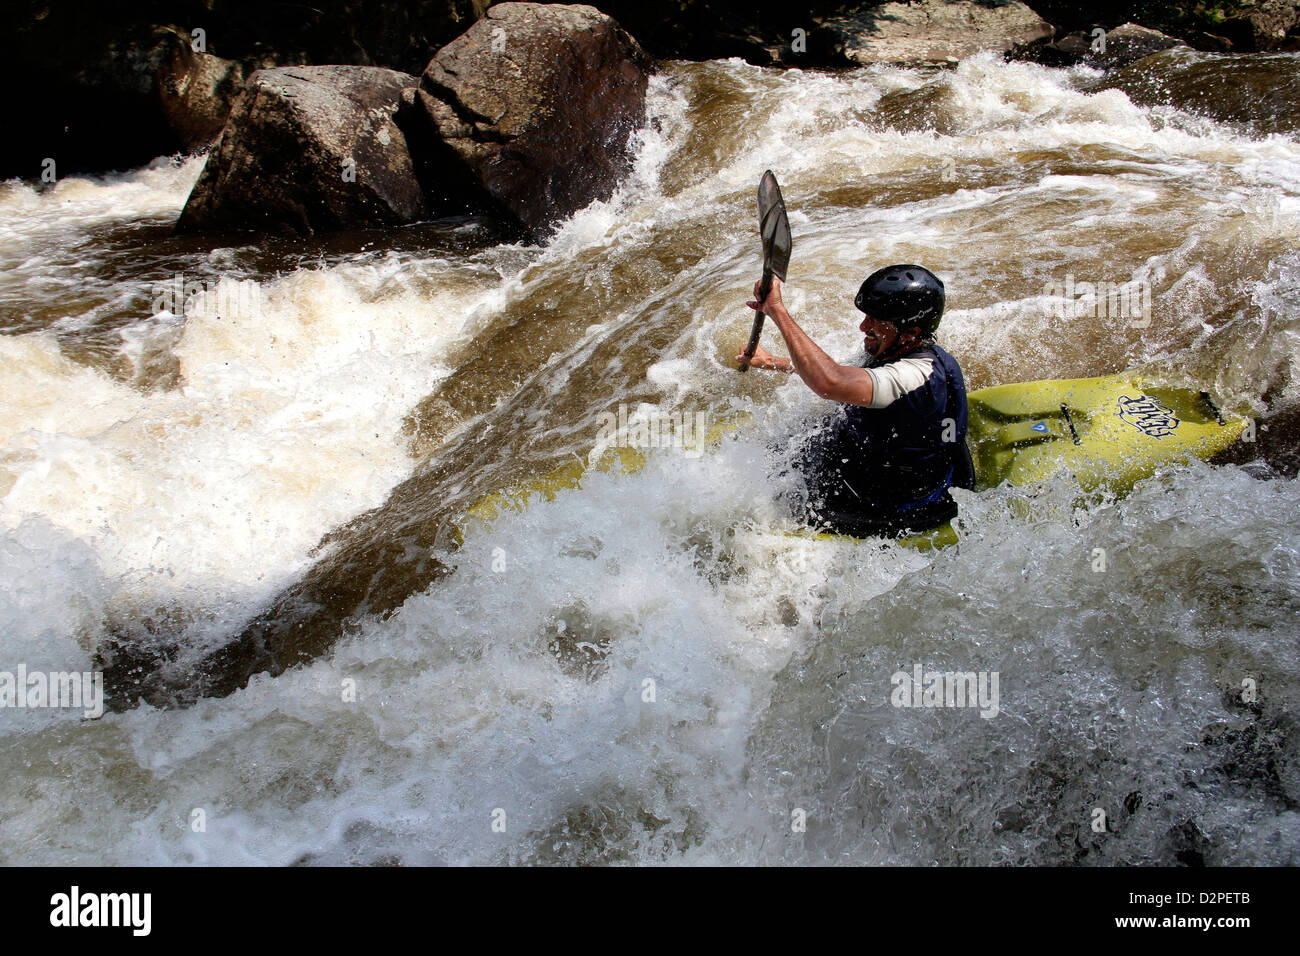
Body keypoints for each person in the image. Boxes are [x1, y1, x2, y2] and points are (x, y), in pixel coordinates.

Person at [737, 264, 975, 538]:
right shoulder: (901, 349)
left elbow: (831, 382)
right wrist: (771, 362)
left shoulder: (912, 376)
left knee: (758, 506)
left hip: (889, 505)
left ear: (911, 332)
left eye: (876, 321)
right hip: (882, 461)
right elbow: (843, 373)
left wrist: (777, 311)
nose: (864, 326)